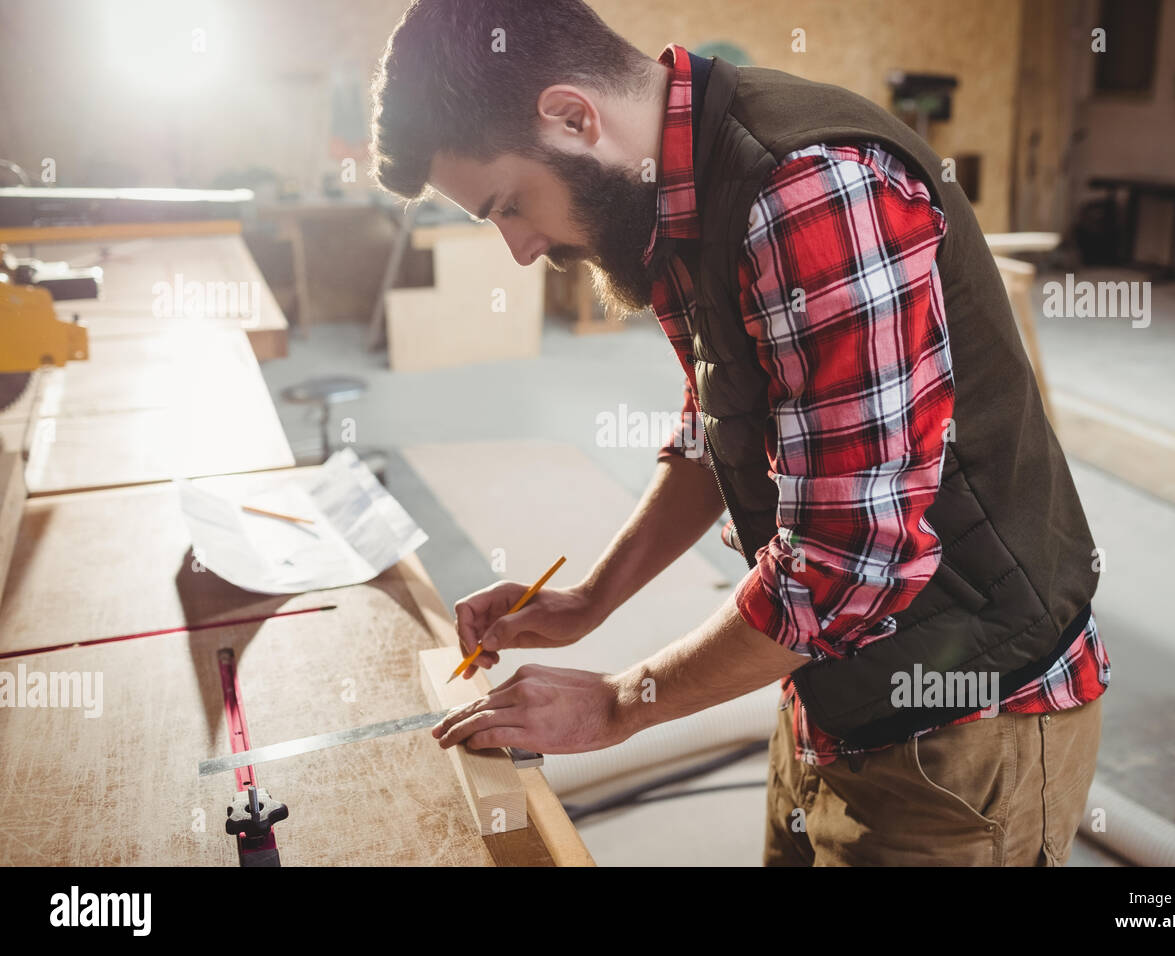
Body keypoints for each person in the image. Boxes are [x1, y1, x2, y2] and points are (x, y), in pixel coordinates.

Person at [370, 0, 1110, 865]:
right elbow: (719, 426)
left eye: (508, 206)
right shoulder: (680, 190)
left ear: (573, 117)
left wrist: (622, 703)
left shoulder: (809, 191)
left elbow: (844, 566)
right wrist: (591, 600)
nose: (522, 250)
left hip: (964, 723)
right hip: (826, 689)